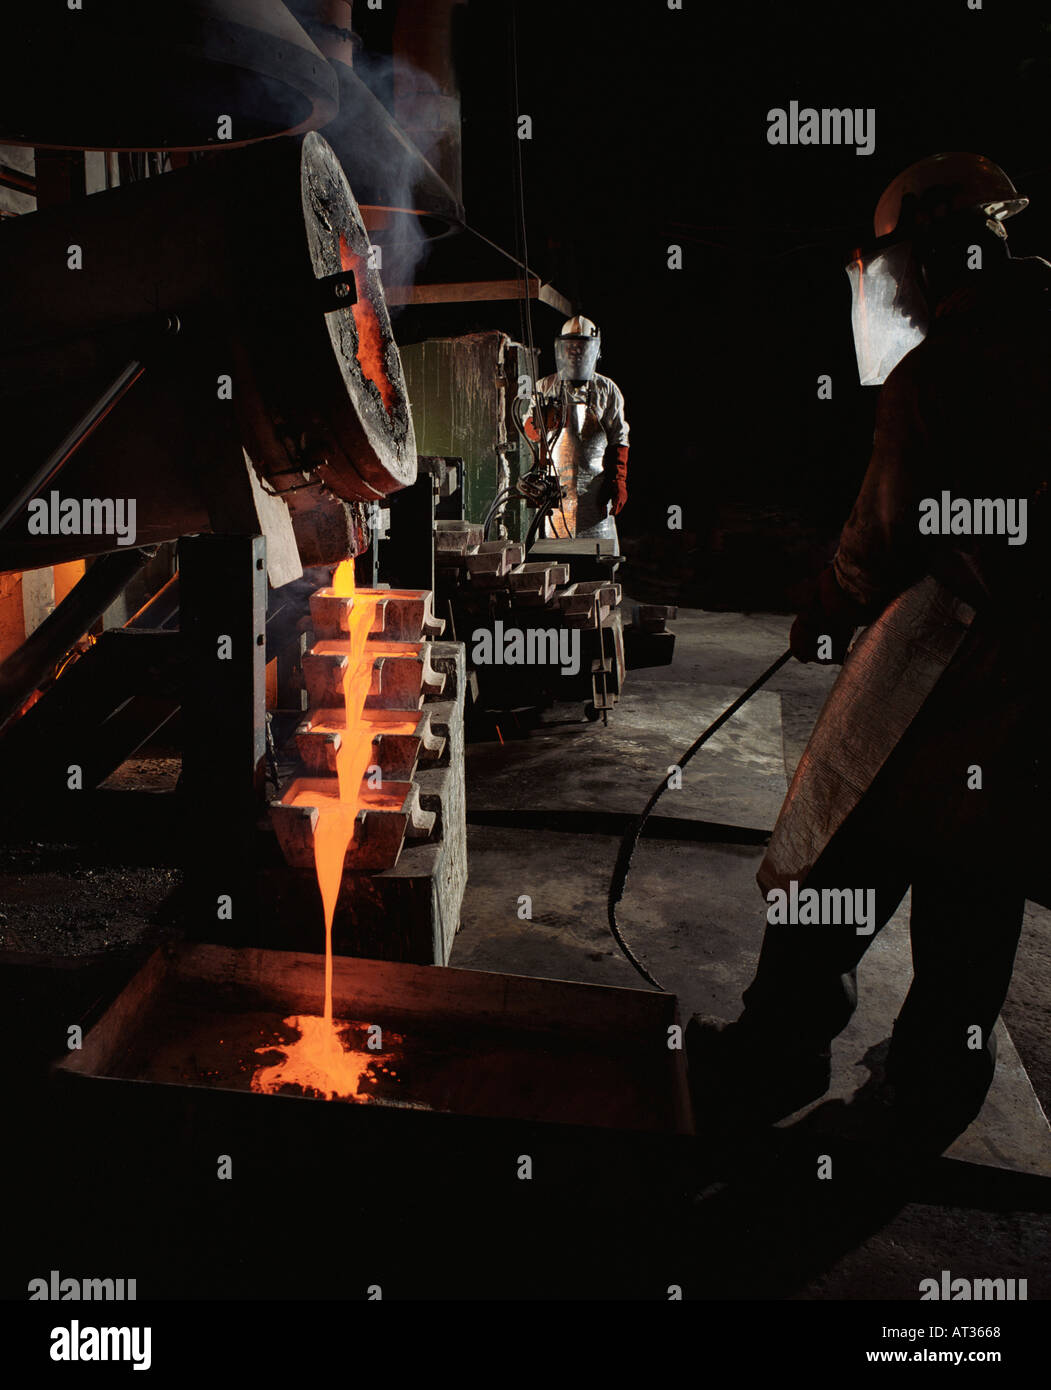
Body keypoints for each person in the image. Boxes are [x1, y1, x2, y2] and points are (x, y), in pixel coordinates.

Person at [688, 153, 1051, 1152]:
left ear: (929, 248)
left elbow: (879, 541)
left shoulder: (943, 370)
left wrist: (826, 604)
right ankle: (933, 1094)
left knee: (852, 848)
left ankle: (777, 1054)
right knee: (974, 897)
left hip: (954, 678)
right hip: (1033, 709)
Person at [527, 316, 630, 544]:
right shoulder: (545, 387)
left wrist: (618, 480)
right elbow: (530, 432)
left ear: (594, 351)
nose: (576, 353)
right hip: (555, 493)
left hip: (595, 492)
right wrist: (539, 423)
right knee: (555, 559)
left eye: (582, 347)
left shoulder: (607, 390)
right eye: (571, 347)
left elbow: (618, 440)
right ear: (562, 350)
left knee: (595, 559)